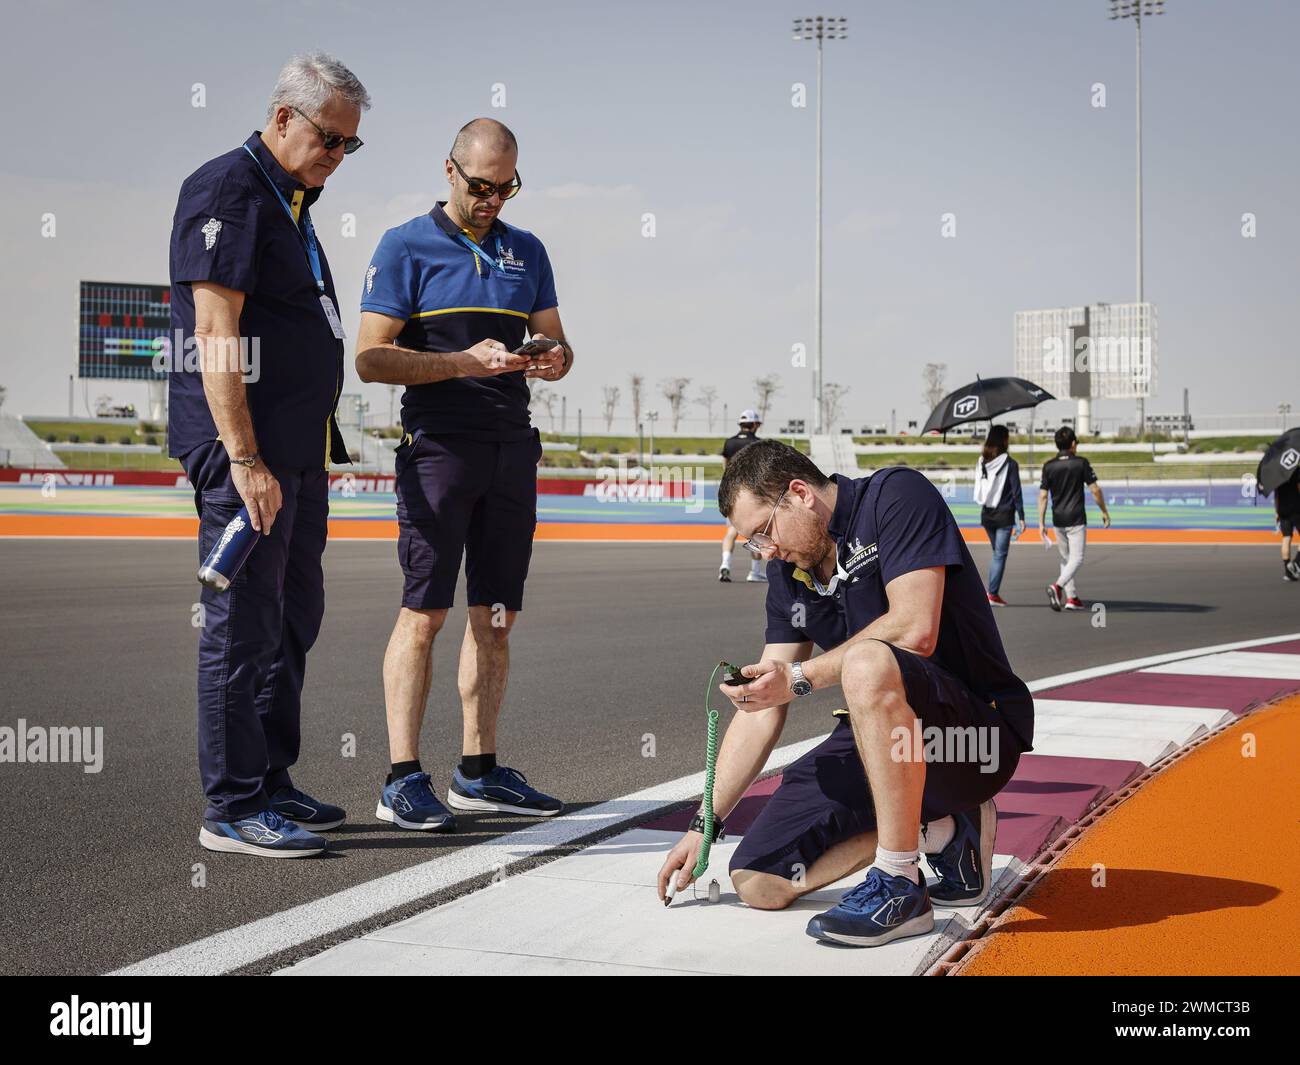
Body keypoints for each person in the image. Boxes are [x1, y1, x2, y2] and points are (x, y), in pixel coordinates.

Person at [656, 441, 1034, 947]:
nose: (765, 551)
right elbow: (764, 704)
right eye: (751, 544)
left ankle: (900, 881)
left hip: (970, 739)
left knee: (868, 659)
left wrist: (799, 676)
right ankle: (946, 831)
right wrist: (706, 821)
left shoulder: (895, 497)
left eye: (764, 533)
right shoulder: (788, 572)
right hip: (878, 738)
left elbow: (915, 627)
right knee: (760, 881)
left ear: (799, 494)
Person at [168, 53, 370, 858]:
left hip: (296, 454)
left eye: (351, 147)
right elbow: (217, 339)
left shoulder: (293, 199)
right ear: (283, 117)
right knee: (242, 624)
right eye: (330, 139)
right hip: (246, 455)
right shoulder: (227, 190)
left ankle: (272, 777)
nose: (337, 158)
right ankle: (232, 806)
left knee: (292, 618)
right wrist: (244, 458)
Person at [356, 118, 569, 831]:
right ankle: (401, 778)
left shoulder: (527, 249)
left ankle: (478, 771)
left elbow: (559, 341)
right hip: (440, 445)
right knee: (426, 612)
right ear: (448, 170)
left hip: (512, 444)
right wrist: (458, 362)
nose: (492, 200)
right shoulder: (403, 245)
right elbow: (370, 358)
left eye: (505, 188)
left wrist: (552, 357)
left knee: (496, 617)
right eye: (480, 186)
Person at [1038, 425, 1110, 611]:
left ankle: (1072, 598)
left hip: (1057, 519)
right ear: (1072, 444)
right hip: (1076, 517)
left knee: (1066, 558)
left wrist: (1041, 522)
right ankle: (1058, 587)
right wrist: (1104, 512)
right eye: (1076, 442)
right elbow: (1095, 490)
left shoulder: (1048, 466)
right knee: (1077, 559)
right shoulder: (1081, 463)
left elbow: (1043, 496)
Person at [973, 425, 1025, 606]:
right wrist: (1022, 516)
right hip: (1004, 516)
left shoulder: (982, 462)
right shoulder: (1010, 464)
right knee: (999, 555)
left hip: (987, 515)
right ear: (1004, 440)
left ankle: (991, 593)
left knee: (997, 554)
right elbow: (1016, 491)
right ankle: (992, 594)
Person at [719, 411, 765, 583]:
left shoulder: (729, 442)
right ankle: (754, 571)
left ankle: (725, 565)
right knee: (756, 533)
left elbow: (725, 466)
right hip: (751, 493)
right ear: (754, 425)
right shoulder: (758, 444)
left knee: (732, 530)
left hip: (732, 491)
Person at [1275, 465, 1300, 582]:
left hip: (1283, 509)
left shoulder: (1276, 473)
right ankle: (1296, 563)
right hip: (1296, 507)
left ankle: (1288, 571)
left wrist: (1276, 512)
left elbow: (1276, 495)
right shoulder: (1296, 470)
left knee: (1286, 537)